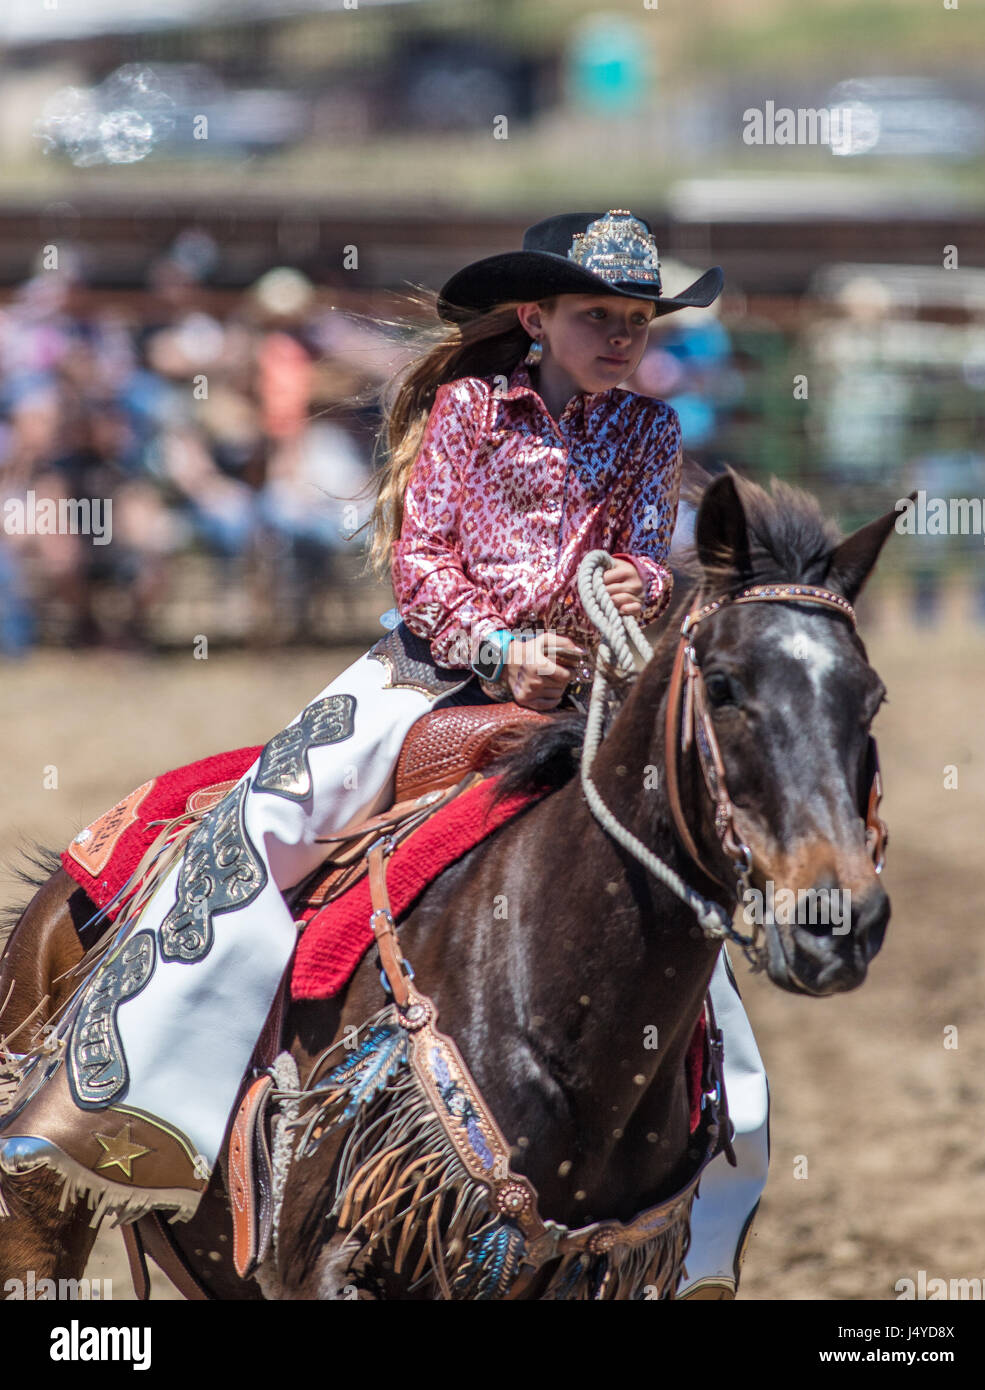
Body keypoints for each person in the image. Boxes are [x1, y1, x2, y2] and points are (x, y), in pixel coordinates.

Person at [0, 210, 767, 1297]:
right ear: (533, 316)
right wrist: (502, 646)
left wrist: (625, 597)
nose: (619, 335)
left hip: (587, 687)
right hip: (423, 678)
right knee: (261, 823)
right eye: (596, 314)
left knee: (679, 895)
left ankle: (709, 1209)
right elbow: (422, 567)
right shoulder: (463, 410)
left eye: (636, 319)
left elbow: (643, 557)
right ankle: (116, 1097)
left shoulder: (647, 429)